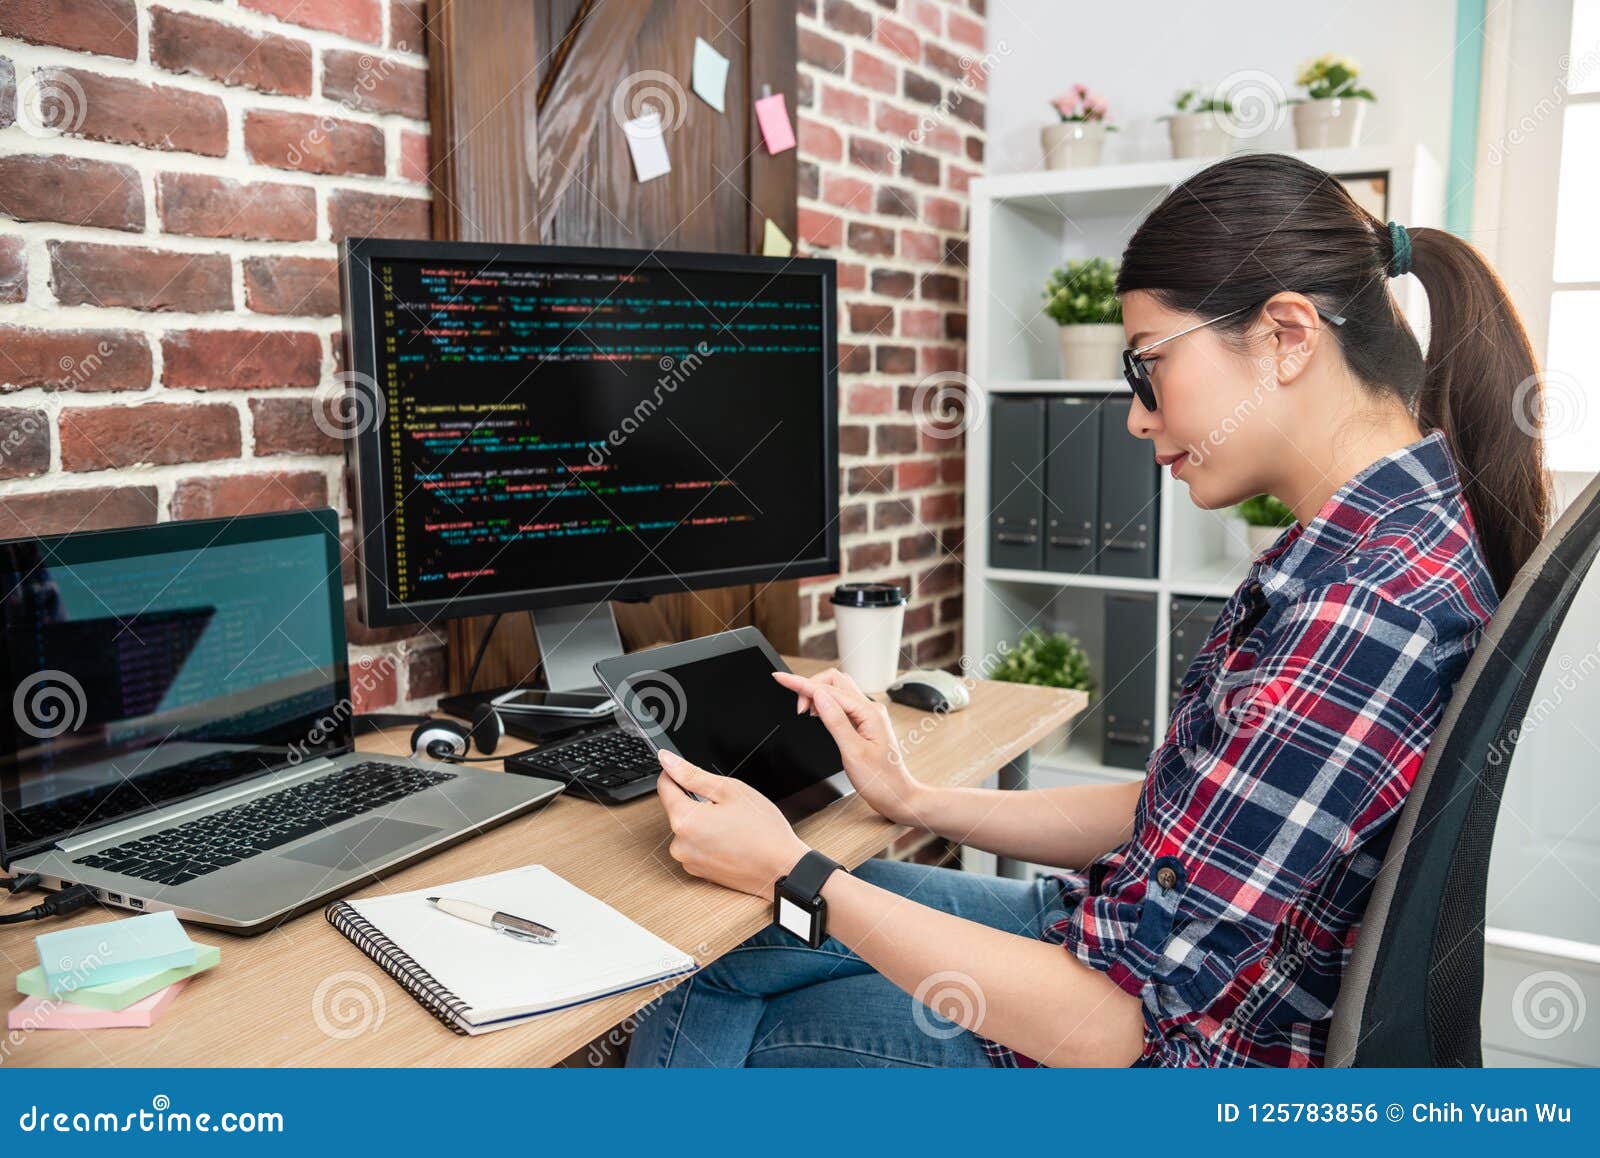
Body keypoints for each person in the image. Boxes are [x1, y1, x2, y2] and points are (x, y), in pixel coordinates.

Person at [626, 153, 1549, 1068]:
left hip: (1137, 1046)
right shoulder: (1382, 537)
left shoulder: (1361, 607)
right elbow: (1180, 813)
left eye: (1148, 365)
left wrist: (793, 870)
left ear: (1287, 337)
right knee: (742, 938)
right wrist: (911, 797)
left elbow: (1115, 1031)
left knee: (714, 963)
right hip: (1111, 938)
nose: (1137, 416)